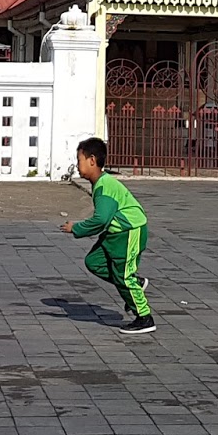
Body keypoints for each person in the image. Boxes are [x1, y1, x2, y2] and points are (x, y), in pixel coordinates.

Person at [60, 137, 155, 335]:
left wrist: (76, 228)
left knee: (123, 276)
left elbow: (101, 220)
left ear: (92, 160)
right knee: (94, 262)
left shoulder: (104, 187)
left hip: (129, 231)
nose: (77, 165)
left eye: (79, 160)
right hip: (115, 233)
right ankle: (134, 286)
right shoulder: (100, 184)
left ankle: (144, 317)